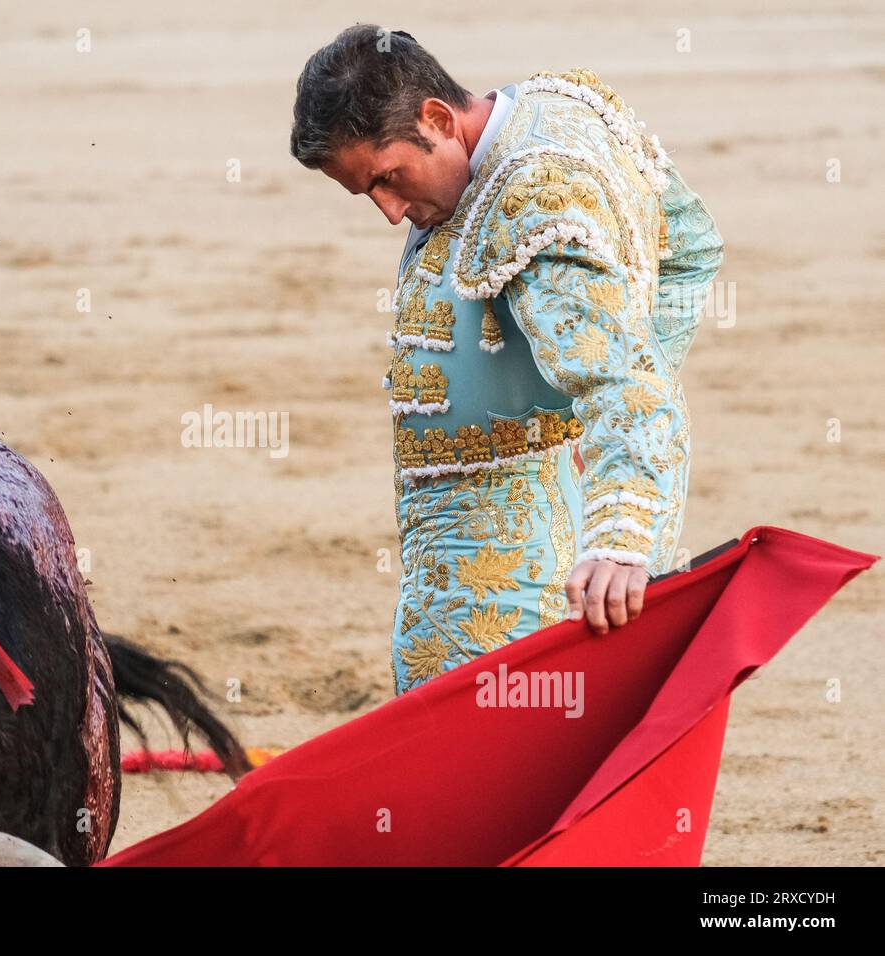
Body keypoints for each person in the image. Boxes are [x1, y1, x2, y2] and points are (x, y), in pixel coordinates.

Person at [289, 27, 724, 694]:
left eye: (388, 178)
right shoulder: (561, 108)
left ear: (437, 118)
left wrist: (619, 536)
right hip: (545, 536)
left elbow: (620, 380)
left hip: (522, 580)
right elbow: (690, 249)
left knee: (475, 771)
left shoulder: (531, 199)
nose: (389, 211)